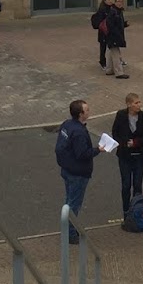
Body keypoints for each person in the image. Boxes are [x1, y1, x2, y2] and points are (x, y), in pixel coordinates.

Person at [56, 99, 98, 241]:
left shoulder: (67, 125)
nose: (89, 112)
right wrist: (98, 150)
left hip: (67, 169)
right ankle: (70, 233)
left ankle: (66, 229)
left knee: (68, 201)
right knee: (74, 204)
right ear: (81, 114)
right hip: (78, 173)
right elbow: (83, 154)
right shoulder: (79, 132)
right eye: (87, 110)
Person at [110, 92, 143, 215]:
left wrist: (136, 142)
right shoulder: (121, 115)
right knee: (126, 184)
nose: (139, 105)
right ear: (129, 104)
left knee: (137, 185)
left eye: (139, 102)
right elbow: (115, 132)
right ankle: (126, 211)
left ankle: (136, 212)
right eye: (136, 103)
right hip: (125, 155)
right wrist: (124, 143)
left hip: (139, 155)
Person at [102, 0, 130, 79]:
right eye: (118, 1)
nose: (120, 3)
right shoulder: (113, 12)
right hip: (113, 36)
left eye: (121, 1)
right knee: (116, 54)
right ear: (115, 2)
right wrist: (116, 33)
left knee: (111, 52)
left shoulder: (118, 11)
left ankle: (109, 70)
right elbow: (110, 25)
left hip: (115, 36)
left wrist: (125, 24)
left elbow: (118, 24)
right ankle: (119, 73)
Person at [90, 0, 113, 67]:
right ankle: (102, 62)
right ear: (105, 1)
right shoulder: (102, 10)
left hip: (111, 32)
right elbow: (100, 22)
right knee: (103, 48)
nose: (110, 1)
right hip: (103, 32)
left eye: (111, 0)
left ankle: (117, 60)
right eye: (109, 0)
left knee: (114, 47)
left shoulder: (112, 8)